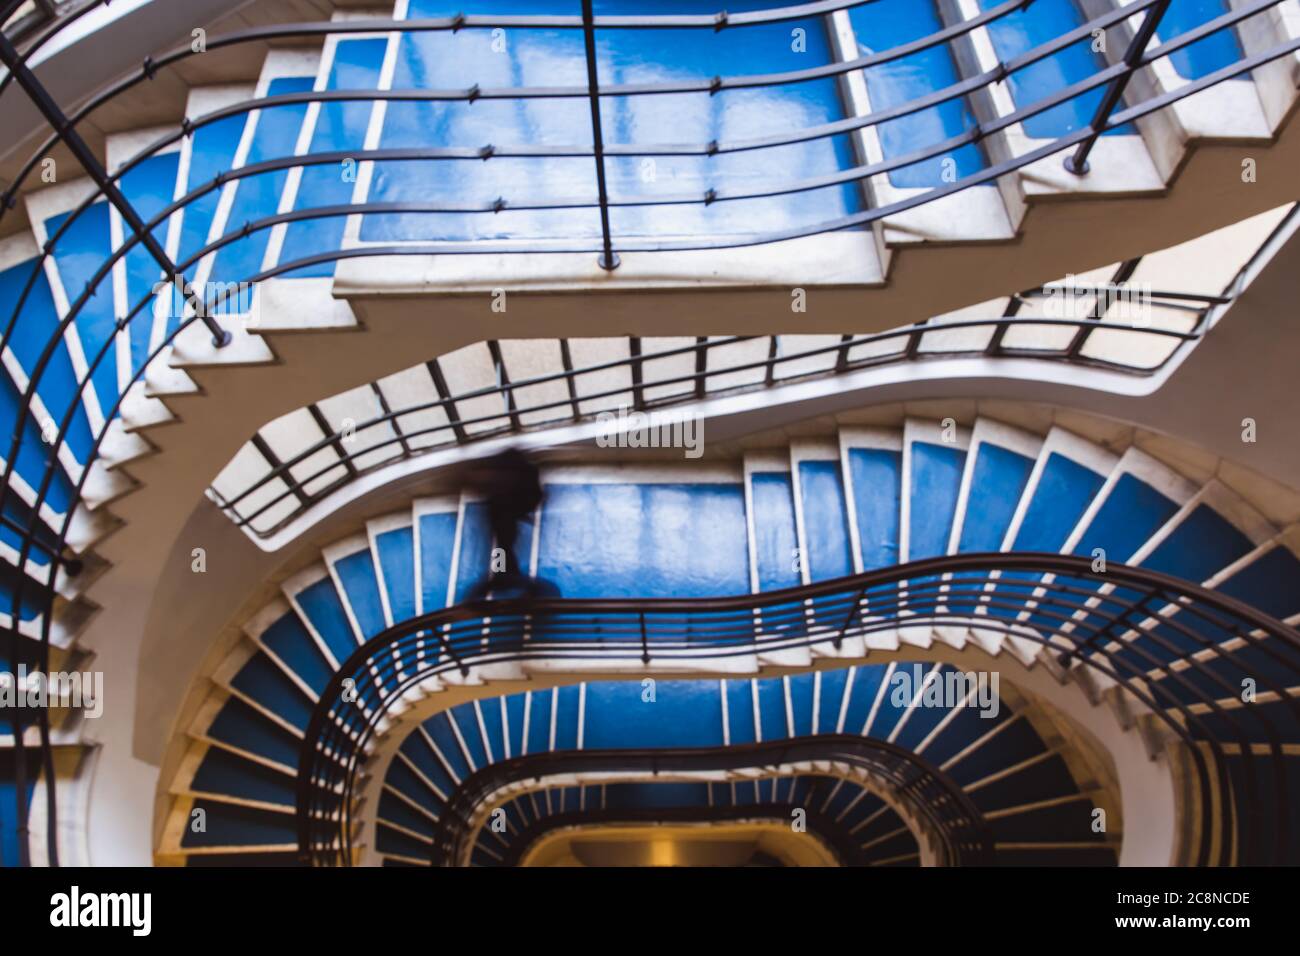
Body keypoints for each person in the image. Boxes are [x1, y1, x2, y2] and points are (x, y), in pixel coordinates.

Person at [460, 447, 555, 601]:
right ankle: (505, 574)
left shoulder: (506, 489)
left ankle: (505, 575)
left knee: (503, 544)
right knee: (503, 545)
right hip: (508, 512)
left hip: (507, 513)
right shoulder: (518, 479)